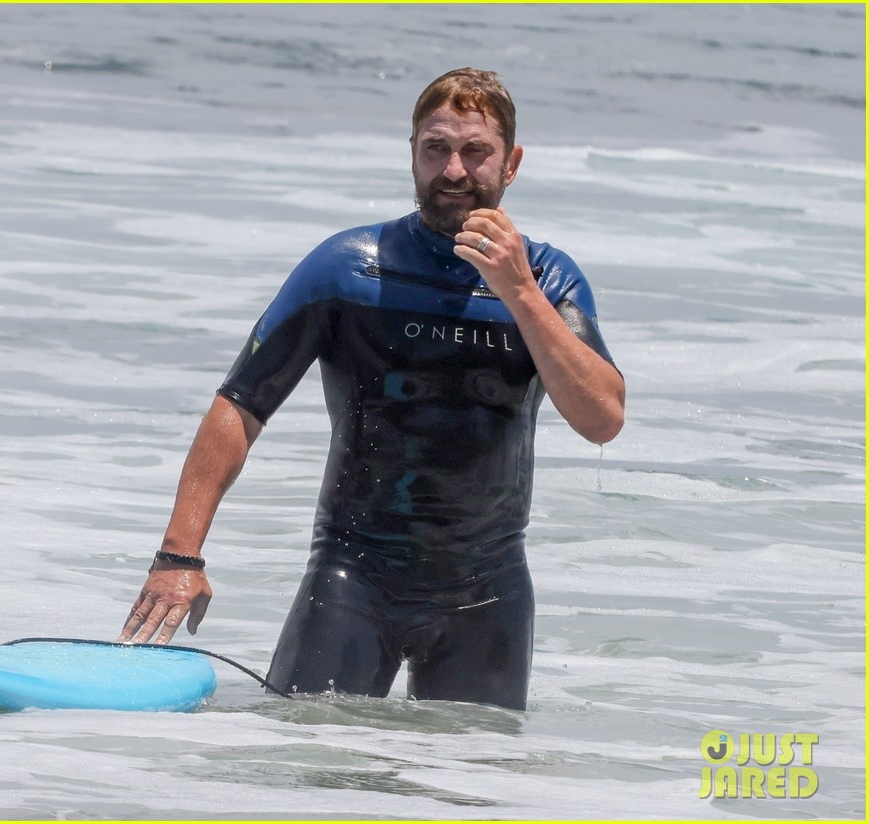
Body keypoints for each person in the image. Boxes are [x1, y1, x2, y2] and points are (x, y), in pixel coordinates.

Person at [117, 68, 625, 710]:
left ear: (512, 162)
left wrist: (520, 293)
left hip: (488, 590)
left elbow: (602, 417)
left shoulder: (548, 280)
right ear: (412, 152)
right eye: (435, 148)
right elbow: (241, 405)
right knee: (303, 773)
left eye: (476, 151)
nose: (454, 171)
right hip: (353, 577)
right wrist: (178, 556)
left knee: (472, 793)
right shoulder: (349, 267)